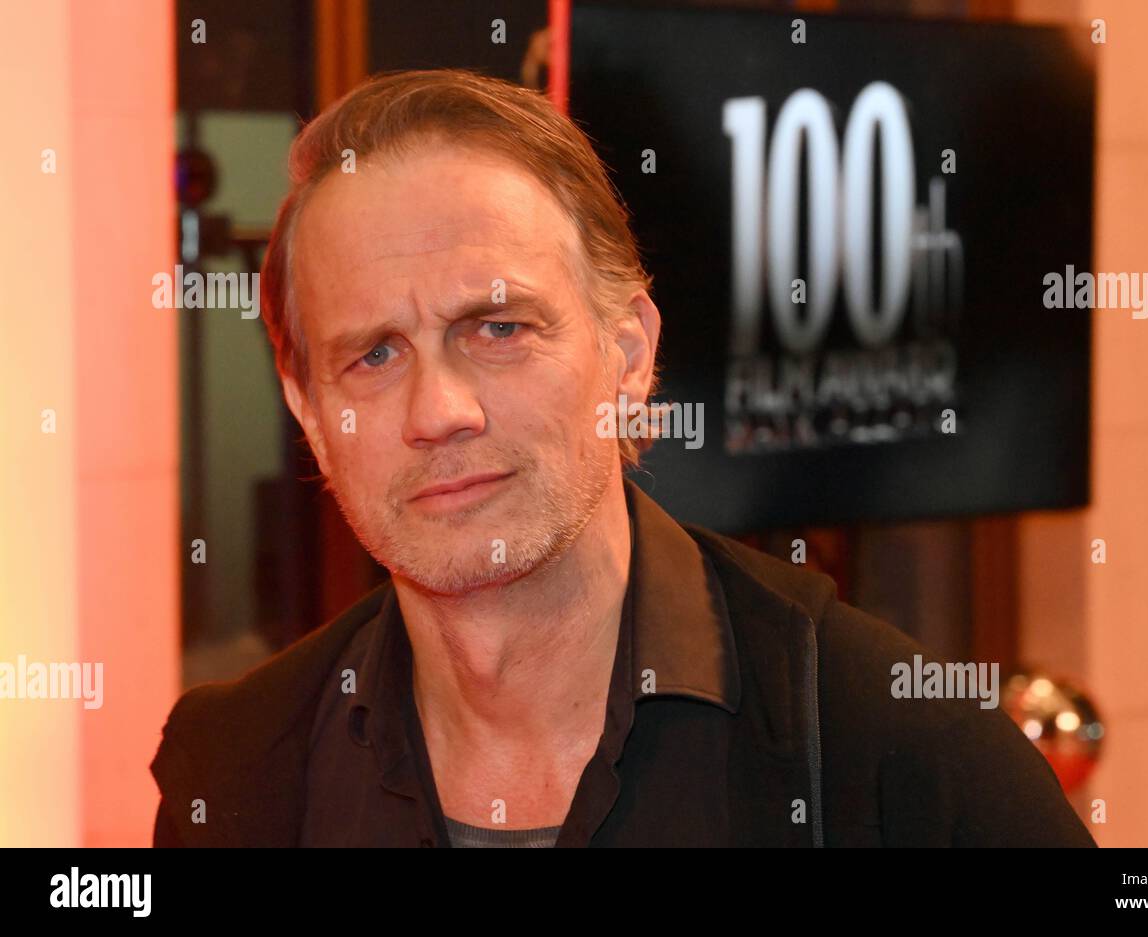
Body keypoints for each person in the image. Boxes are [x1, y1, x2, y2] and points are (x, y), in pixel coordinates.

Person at [150, 69, 1096, 847]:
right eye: (375, 354)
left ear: (630, 355)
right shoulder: (238, 771)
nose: (440, 410)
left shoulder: (898, 757)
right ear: (310, 411)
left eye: (499, 327)